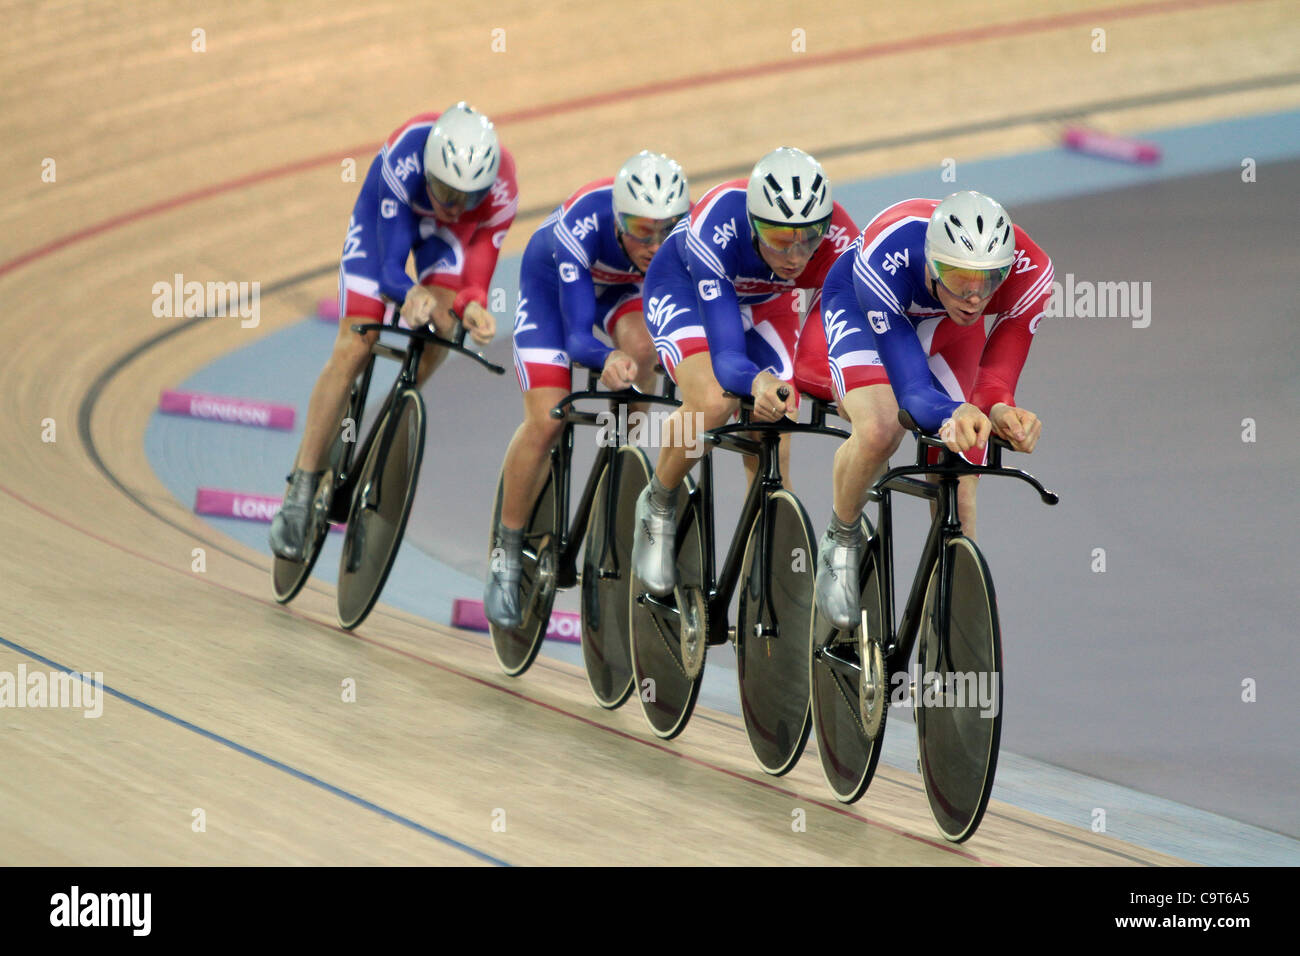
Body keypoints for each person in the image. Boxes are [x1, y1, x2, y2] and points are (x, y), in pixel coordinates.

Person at [270, 103, 517, 560]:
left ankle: (397, 410)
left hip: (447, 242)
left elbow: (476, 276)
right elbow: (389, 269)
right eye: (445, 190)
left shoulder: (503, 188)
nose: (455, 205)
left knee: (443, 326)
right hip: (384, 228)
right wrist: (407, 293)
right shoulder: (404, 156)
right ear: (429, 169)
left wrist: (474, 308)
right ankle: (301, 488)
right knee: (356, 342)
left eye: (468, 197)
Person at [813, 190, 1053, 628]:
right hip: (867, 308)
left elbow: (995, 383)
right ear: (931, 262)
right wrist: (952, 412)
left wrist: (1000, 411)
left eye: (988, 280)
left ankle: (955, 595)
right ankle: (840, 537)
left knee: (964, 458)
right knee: (883, 428)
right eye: (960, 278)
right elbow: (913, 394)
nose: (975, 297)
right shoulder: (886, 257)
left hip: (944, 326)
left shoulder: (1030, 271)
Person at [631, 147, 858, 596]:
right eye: (779, 238)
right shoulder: (715, 226)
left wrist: (842, 390)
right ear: (753, 223)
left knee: (775, 428)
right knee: (715, 401)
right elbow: (730, 359)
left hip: (767, 305)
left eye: (807, 240)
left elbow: (838, 336)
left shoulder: (843, 240)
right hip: (689, 295)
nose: (795, 256)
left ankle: (770, 563)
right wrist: (758, 381)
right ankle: (657, 503)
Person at [484, 151, 690, 628]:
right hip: (554, 292)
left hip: (619, 293)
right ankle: (507, 552)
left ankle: (626, 466)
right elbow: (578, 337)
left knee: (644, 348)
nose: (654, 243)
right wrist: (605, 359)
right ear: (618, 219)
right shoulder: (583, 224)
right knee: (547, 419)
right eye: (641, 230)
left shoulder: (680, 237)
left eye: (665, 230)